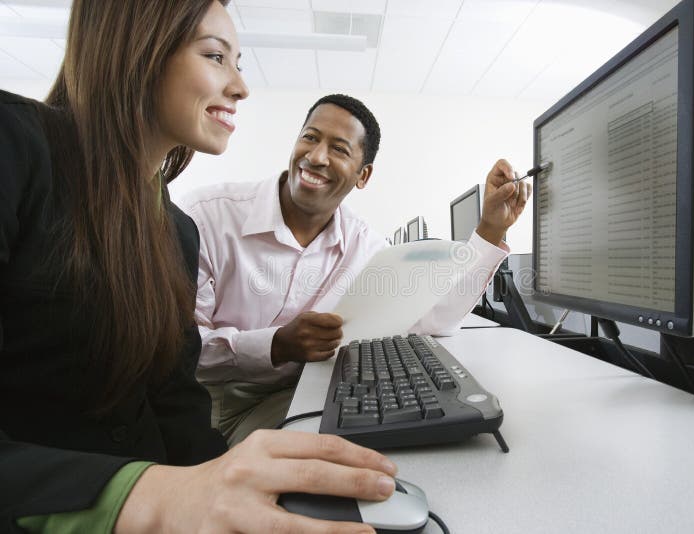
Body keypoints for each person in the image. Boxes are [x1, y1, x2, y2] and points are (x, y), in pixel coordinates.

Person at [1, 1, 398, 533]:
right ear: (137, 50)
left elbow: (175, 407)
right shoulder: (15, 146)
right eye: (216, 56)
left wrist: (226, 483)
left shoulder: (173, 230)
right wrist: (157, 498)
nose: (240, 88)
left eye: (239, 63)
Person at [180, 93, 532, 444]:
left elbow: (433, 318)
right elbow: (182, 349)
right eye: (310, 137)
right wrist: (276, 345)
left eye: (339, 149)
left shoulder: (366, 247)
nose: (316, 157)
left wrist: (490, 229)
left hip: (292, 392)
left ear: (363, 176)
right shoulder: (207, 216)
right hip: (203, 399)